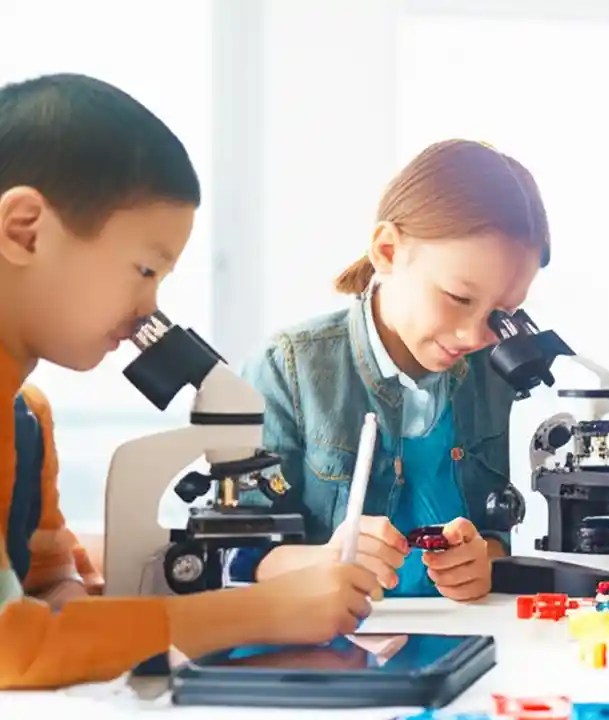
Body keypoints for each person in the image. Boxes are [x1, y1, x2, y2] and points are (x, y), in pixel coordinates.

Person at [0, 73, 380, 689]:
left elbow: (46, 585)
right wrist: (267, 611)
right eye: (144, 269)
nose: (150, 310)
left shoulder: (24, 416)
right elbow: (12, 651)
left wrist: (81, 612)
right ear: (25, 231)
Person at [235, 139, 550, 601]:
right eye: (459, 299)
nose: (473, 336)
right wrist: (327, 560)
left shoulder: (491, 371)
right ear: (386, 250)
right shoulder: (287, 368)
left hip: (458, 641)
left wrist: (486, 559)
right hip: (330, 648)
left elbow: (494, 531)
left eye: (500, 314)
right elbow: (235, 557)